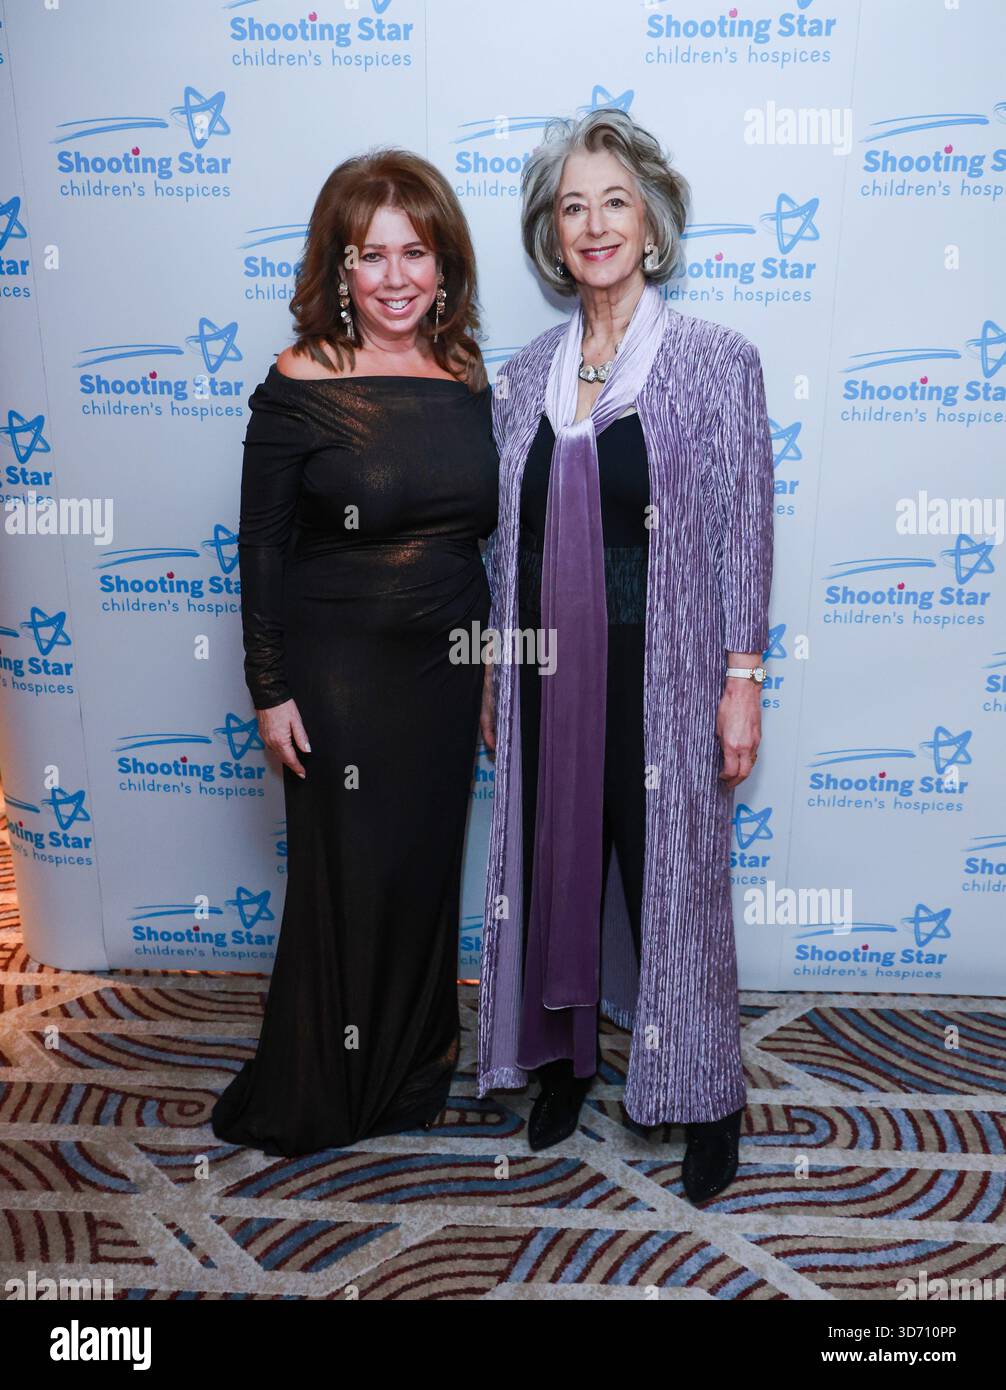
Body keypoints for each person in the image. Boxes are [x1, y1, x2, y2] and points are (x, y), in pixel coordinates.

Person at [476, 108, 774, 1204]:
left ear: (650, 224)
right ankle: (562, 1065)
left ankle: (707, 1097)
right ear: (551, 238)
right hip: (550, 676)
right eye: (570, 205)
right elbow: (510, 540)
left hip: (666, 677)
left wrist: (740, 683)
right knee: (557, 870)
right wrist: (501, 673)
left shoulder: (713, 362)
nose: (592, 223)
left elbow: (744, 529)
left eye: (613, 200)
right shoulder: (523, 379)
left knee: (674, 886)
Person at [211, 149, 498, 1157]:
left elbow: (475, 541)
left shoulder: (464, 380)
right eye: (369, 255)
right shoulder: (300, 381)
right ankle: (321, 1086)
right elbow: (261, 545)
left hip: (445, 670)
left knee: (422, 871)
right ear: (336, 268)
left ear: (443, 263)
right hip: (336, 678)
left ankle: (411, 1068)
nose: (394, 277)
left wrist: (490, 667)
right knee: (346, 878)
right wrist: (269, 686)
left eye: (413, 251)